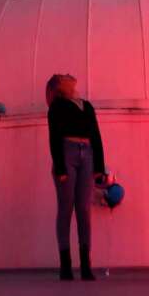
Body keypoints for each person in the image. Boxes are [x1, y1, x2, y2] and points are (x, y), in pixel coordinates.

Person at [46, 73, 106, 281]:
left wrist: (99, 166)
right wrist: (60, 168)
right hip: (67, 151)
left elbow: (96, 136)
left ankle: (86, 265)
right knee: (66, 208)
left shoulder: (86, 106)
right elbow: (54, 136)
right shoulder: (57, 106)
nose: (68, 76)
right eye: (63, 77)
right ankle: (66, 266)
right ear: (59, 86)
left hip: (87, 153)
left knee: (84, 209)